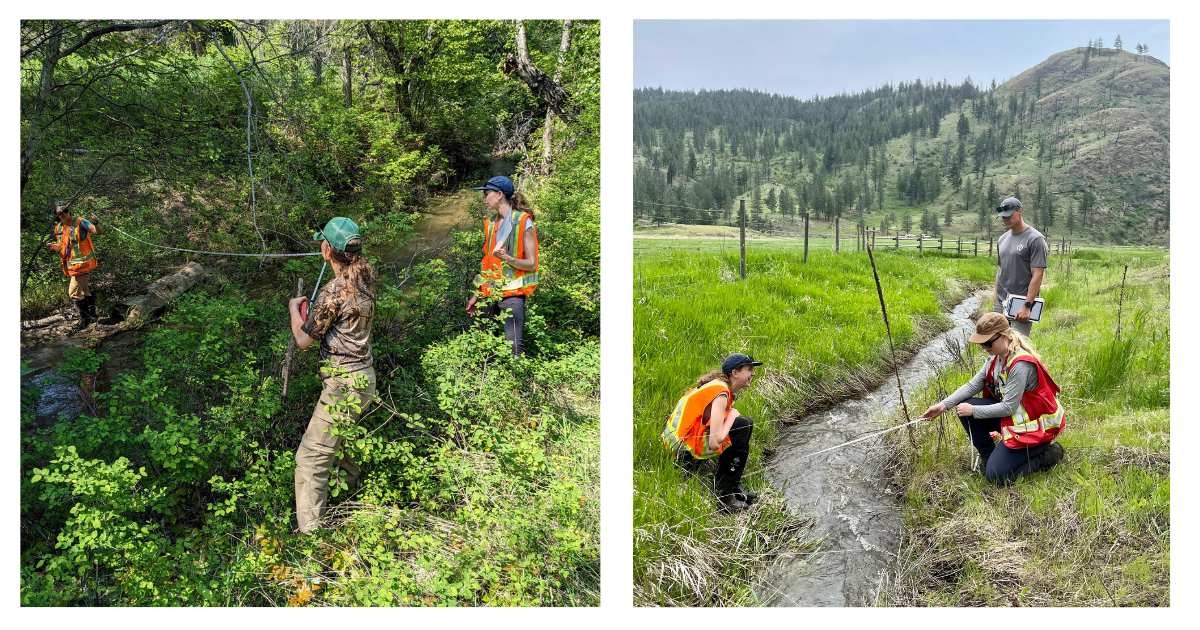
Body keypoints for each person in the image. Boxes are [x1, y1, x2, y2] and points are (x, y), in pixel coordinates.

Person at [288, 217, 379, 535]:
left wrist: (293, 310)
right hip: (364, 380)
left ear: (327, 249)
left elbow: (303, 341)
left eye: (321, 244)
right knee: (337, 450)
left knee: (310, 460)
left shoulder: (334, 291)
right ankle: (348, 507)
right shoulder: (365, 280)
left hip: (343, 386)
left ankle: (313, 540)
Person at [919, 313, 1066, 485]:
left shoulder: (1020, 365)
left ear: (1004, 336)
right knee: (964, 407)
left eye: (987, 342)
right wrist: (943, 405)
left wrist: (973, 411)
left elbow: (1009, 408)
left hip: (1035, 430)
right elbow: (973, 385)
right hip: (1015, 420)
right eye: (981, 343)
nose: (984, 347)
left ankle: (1047, 455)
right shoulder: (996, 358)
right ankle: (988, 456)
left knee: (996, 477)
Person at [662, 353, 763, 511]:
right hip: (683, 455)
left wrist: (730, 418)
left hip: (683, 447)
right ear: (735, 373)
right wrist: (731, 417)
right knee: (742, 425)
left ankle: (734, 485)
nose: (753, 373)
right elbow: (714, 443)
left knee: (745, 423)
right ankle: (724, 497)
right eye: (749, 369)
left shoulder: (720, 386)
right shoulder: (721, 392)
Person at [467, 175, 538, 358]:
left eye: (486, 194)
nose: (484, 199)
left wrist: (507, 258)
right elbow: (487, 263)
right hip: (489, 293)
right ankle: (485, 383)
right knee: (483, 344)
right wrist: (477, 293)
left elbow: (531, 265)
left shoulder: (524, 222)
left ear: (499, 195)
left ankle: (519, 384)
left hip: (512, 295)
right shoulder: (490, 223)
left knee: (514, 348)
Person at [993, 197, 1048, 338]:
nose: (1005, 219)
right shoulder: (1002, 239)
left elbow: (1038, 275)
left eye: (1009, 215)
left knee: (1017, 349)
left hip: (1021, 304)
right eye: (1003, 217)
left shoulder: (1035, 239)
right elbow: (1000, 270)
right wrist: (996, 301)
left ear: (1020, 211)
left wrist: (1027, 306)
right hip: (1001, 303)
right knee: (998, 347)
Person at [44, 201, 103, 331]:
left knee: (74, 293)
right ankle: (92, 315)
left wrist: (96, 223)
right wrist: (53, 246)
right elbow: (62, 246)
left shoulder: (81, 222)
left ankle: (85, 320)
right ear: (56, 214)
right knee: (84, 290)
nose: (63, 214)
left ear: (69, 210)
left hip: (83, 265)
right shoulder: (58, 228)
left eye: (65, 211)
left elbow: (97, 232)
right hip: (71, 266)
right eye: (60, 212)